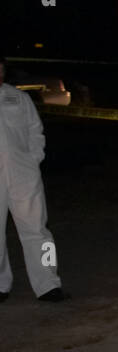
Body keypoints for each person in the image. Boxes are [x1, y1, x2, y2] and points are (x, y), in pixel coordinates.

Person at [0, 54, 64, 303]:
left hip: (23, 175)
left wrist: (33, 160)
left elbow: (35, 130)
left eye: (1, 69)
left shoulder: (18, 97)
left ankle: (49, 284)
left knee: (38, 230)